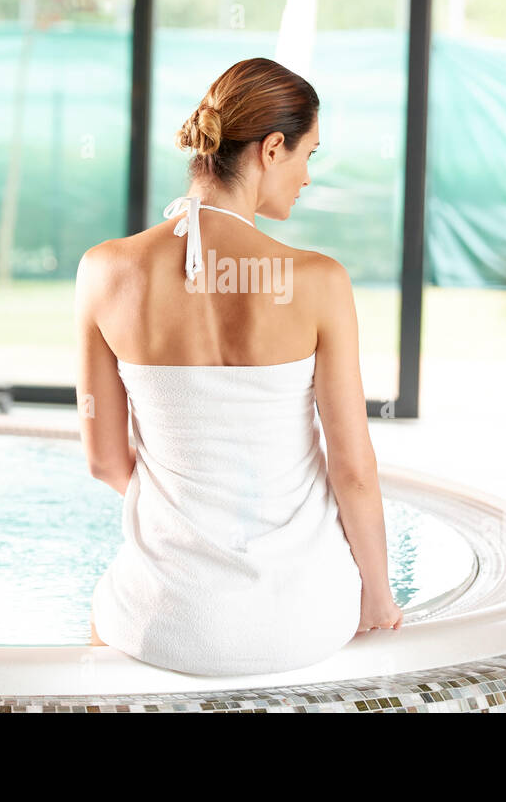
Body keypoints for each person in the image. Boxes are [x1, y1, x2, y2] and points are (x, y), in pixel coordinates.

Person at [74, 56, 402, 676]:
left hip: (161, 624)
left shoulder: (104, 271)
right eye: (309, 153)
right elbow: (354, 469)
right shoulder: (317, 280)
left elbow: (105, 462)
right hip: (301, 623)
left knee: (102, 629)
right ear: (272, 148)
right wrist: (378, 596)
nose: (306, 176)